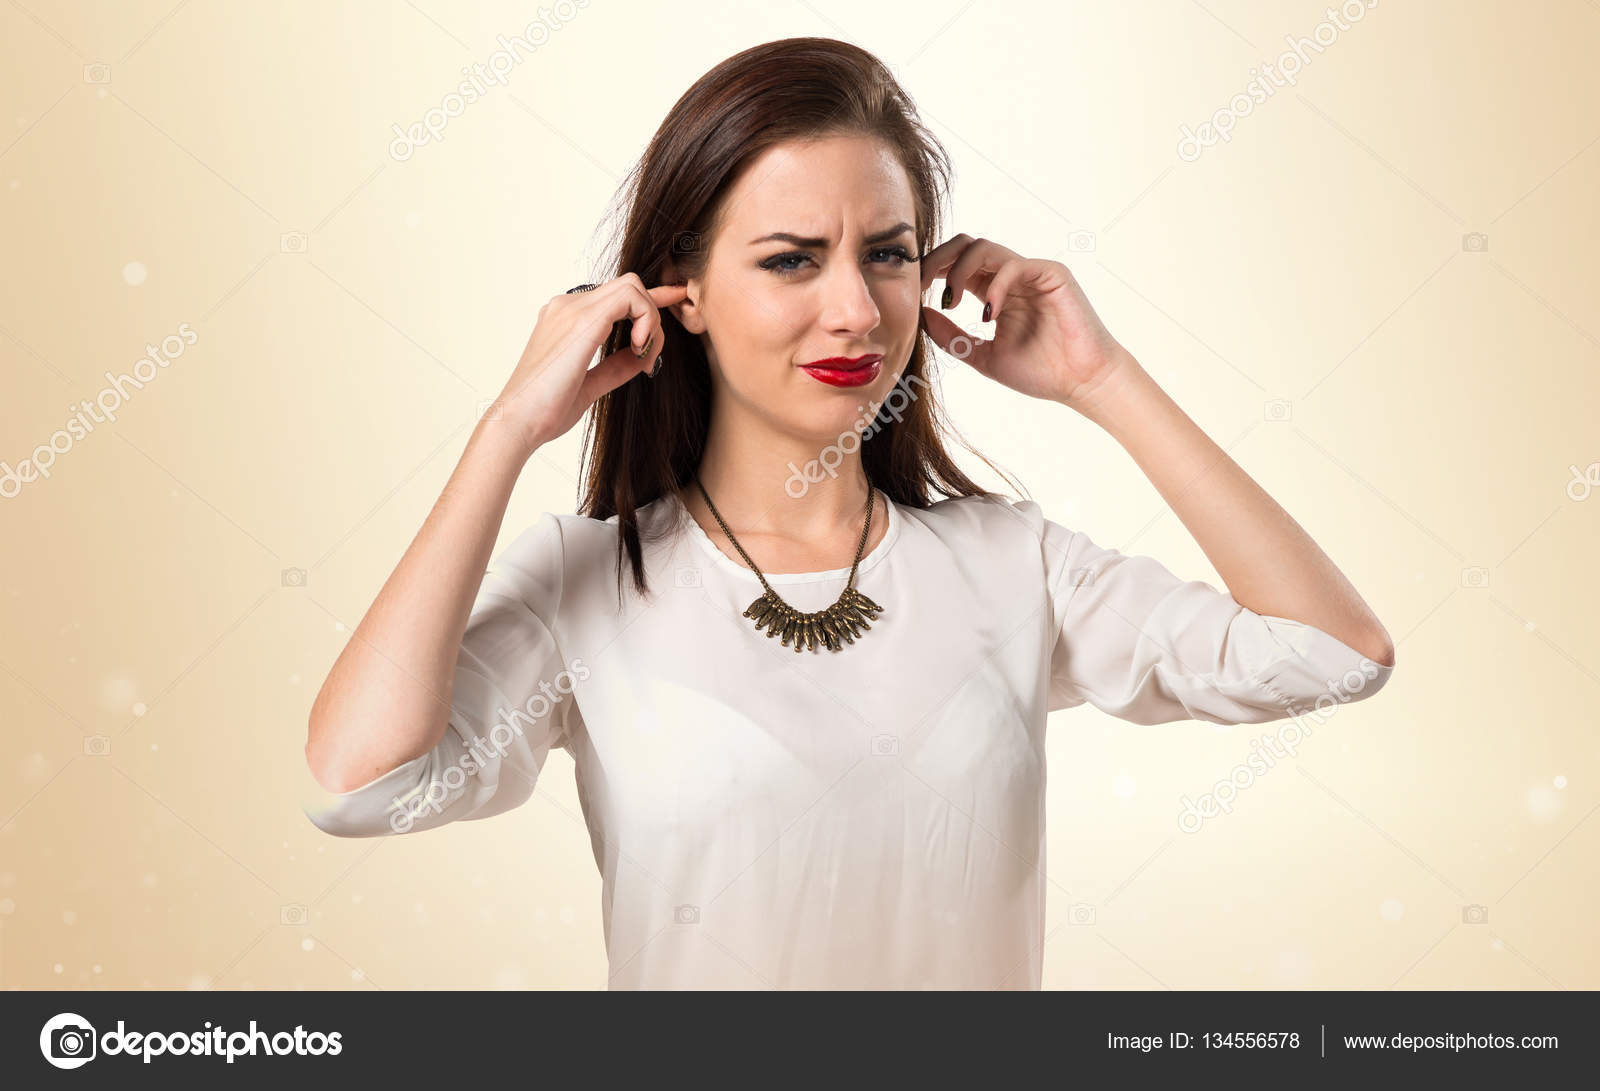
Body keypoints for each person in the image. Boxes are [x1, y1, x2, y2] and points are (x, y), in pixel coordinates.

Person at [300, 37, 1395, 989]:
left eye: (888, 253)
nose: (856, 310)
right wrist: (505, 431)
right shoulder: (589, 581)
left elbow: (1333, 654)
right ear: (681, 287)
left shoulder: (1014, 564)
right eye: (790, 260)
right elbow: (360, 783)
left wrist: (1101, 379)